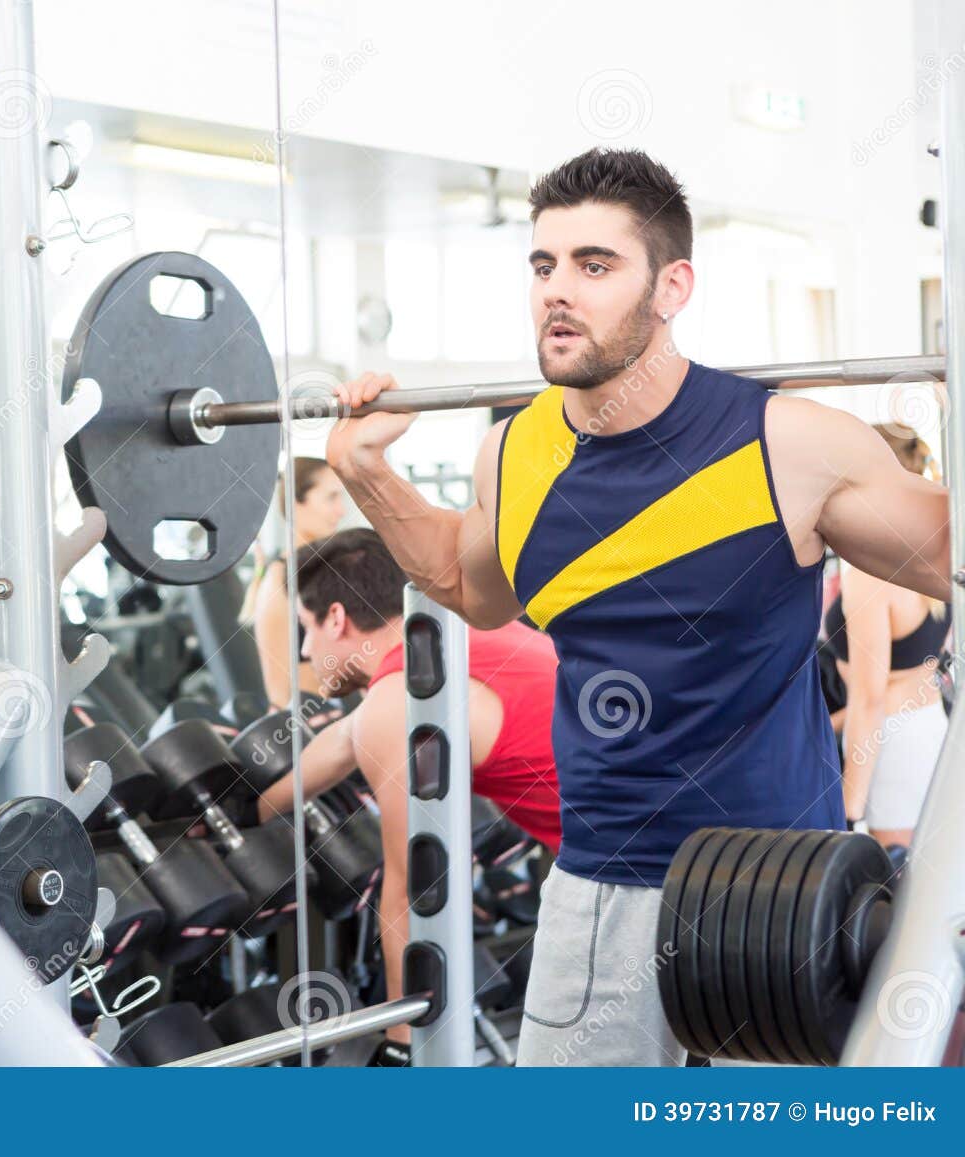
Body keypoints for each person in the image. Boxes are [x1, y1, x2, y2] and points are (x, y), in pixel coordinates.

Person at [321, 148, 951, 1066]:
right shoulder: (517, 450)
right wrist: (364, 472)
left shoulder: (789, 442)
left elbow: (944, 561)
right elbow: (471, 589)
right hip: (600, 873)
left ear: (673, 286)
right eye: (544, 266)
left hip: (773, 881)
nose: (557, 292)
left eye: (595, 264)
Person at [254, 528, 563, 1060]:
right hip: (691, 837)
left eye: (305, 630)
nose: (305, 652)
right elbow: (341, 742)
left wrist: (402, 1044)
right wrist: (247, 811)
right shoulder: (455, 641)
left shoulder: (399, 703)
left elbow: (414, 889)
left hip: (647, 872)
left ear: (335, 618)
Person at [824, 423, 951, 850]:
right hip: (927, 728)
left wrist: (848, 809)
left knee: (891, 888)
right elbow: (924, 668)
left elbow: (872, 698)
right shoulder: (938, 545)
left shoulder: (869, 571)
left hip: (890, 744)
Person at [242, 457, 347, 709]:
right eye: (331, 498)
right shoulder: (279, 579)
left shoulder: (331, 569)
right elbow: (280, 694)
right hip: (307, 726)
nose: (341, 510)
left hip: (346, 715)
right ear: (296, 504)